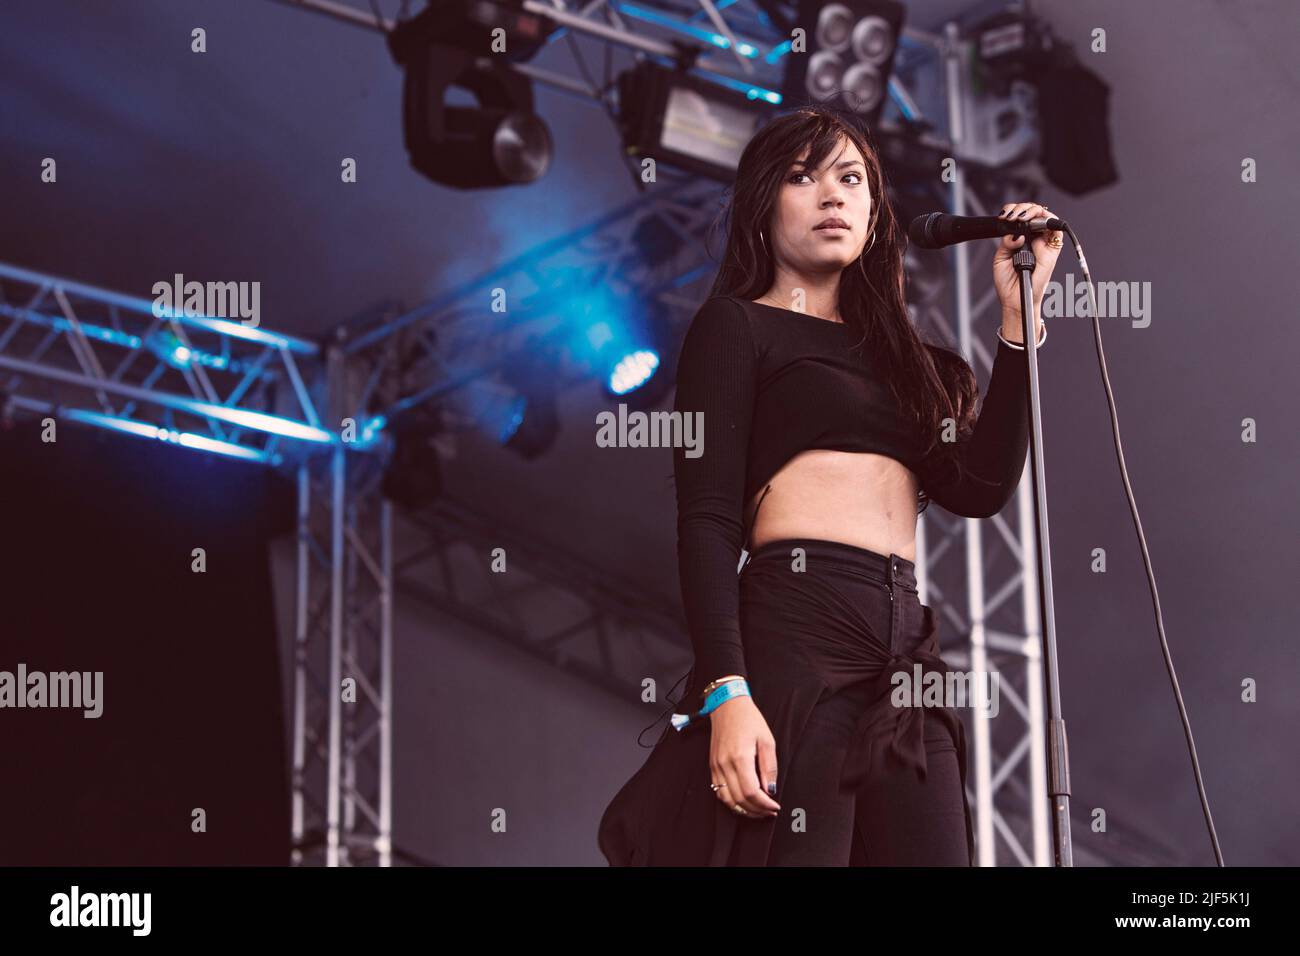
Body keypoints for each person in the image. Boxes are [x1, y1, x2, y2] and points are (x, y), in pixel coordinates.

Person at [598, 105, 1062, 866]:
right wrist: (727, 690)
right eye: (801, 177)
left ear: (877, 211)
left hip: (905, 646)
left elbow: (978, 488)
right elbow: (709, 519)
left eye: (851, 179)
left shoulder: (914, 363)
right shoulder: (738, 328)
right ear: (762, 206)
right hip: (795, 627)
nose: (832, 196)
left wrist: (1019, 323)